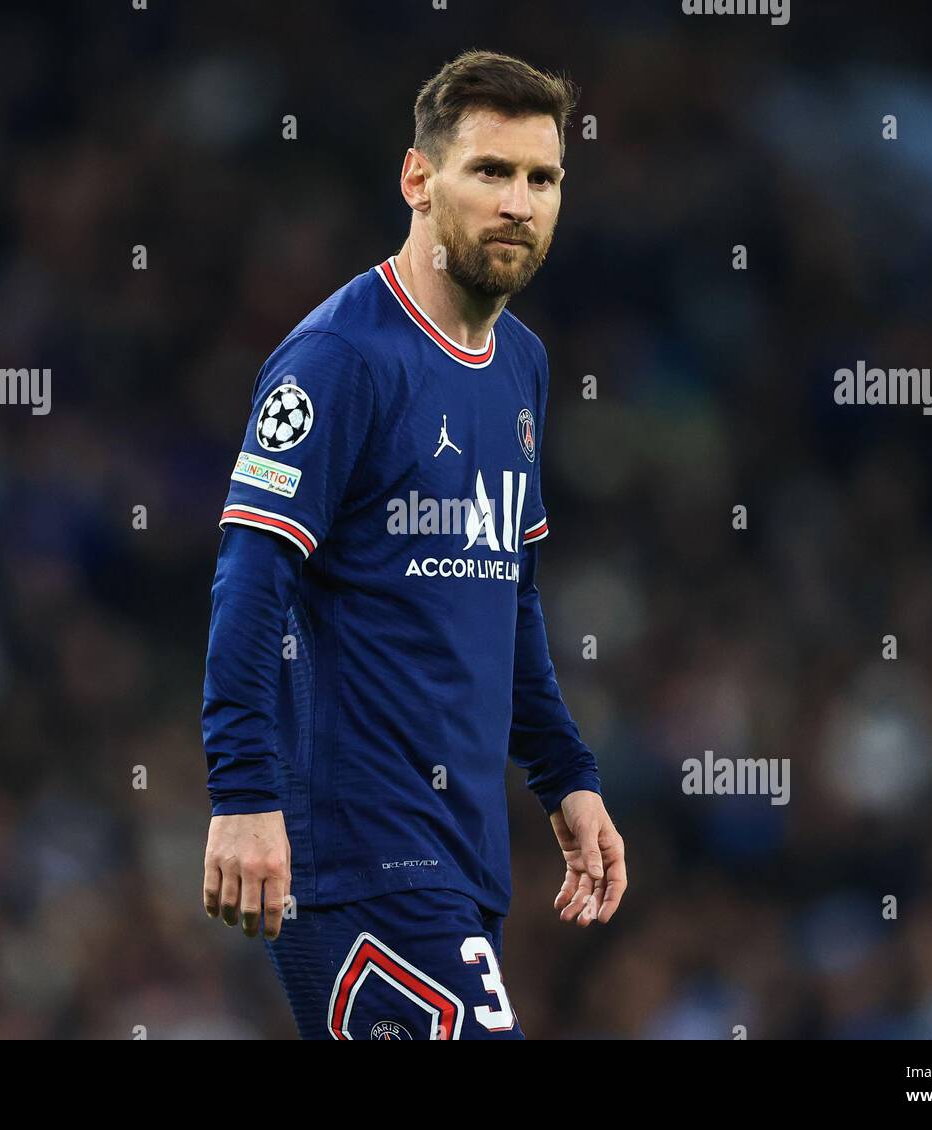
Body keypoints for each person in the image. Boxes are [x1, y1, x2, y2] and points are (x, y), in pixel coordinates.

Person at [201, 49, 626, 1040]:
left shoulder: (521, 364)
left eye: (541, 177)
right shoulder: (338, 358)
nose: (519, 202)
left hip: (461, 860)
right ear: (418, 179)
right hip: (351, 852)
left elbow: (505, 591)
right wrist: (242, 795)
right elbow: (249, 574)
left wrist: (564, 771)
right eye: (490, 171)